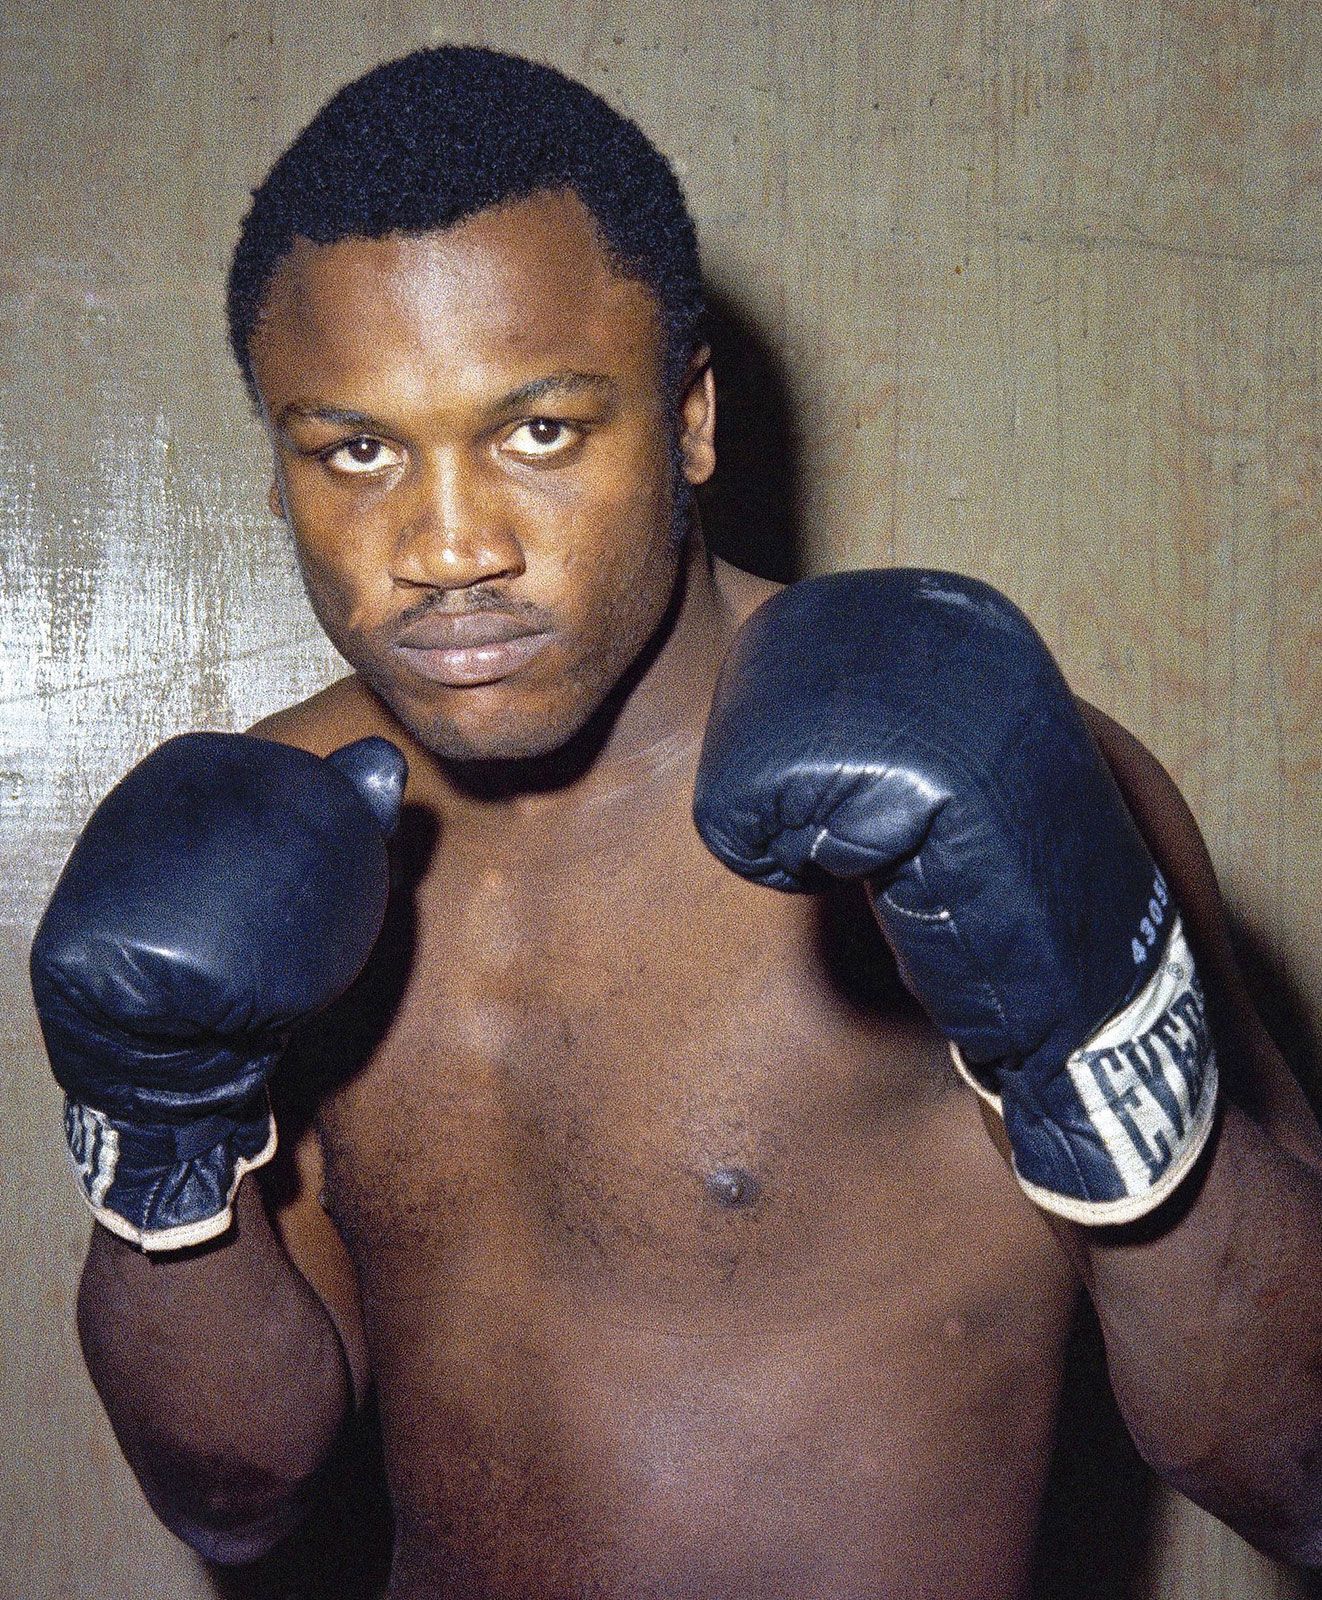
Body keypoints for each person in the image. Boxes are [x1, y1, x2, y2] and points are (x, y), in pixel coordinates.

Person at [30, 44, 1322, 1600]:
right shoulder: (269, 836)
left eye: (539, 431)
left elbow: (1295, 1479)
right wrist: (156, 1144)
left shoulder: (989, 776)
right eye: (357, 450)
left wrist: (1103, 1062)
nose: (450, 546)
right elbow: (236, 1500)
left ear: (690, 419)